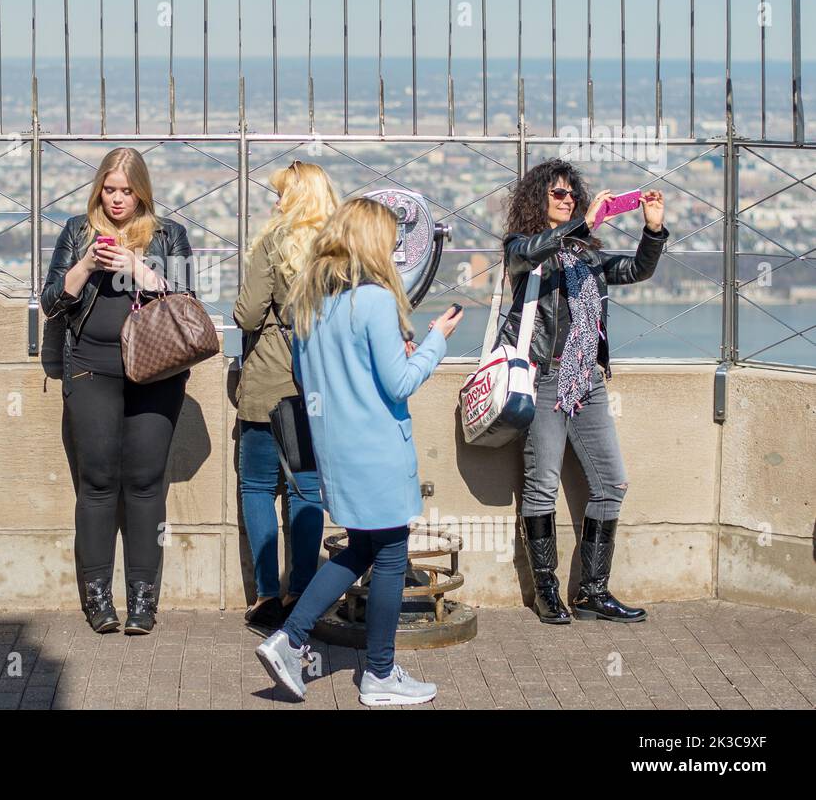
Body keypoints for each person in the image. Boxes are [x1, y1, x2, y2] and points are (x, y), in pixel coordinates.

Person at [256, 197, 462, 706]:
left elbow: (308, 379)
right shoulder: (372, 301)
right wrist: (436, 341)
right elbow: (400, 383)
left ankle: (290, 638)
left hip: (337, 450)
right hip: (377, 451)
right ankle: (379, 674)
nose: (395, 252)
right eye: (390, 243)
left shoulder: (310, 302)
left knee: (362, 548)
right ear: (372, 244)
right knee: (390, 554)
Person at [500, 159, 668, 624]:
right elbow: (528, 252)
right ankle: (546, 591)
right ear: (540, 200)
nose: (568, 198)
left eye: (572, 193)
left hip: (587, 380)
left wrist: (653, 231)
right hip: (544, 377)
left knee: (611, 483)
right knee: (542, 486)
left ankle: (593, 591)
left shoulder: (588, 256)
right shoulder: (523, 248)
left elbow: (635, 271)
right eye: (558, 194)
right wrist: (582, 223)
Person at [41, 148, 195, 635]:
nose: (118, 200)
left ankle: (144, 601)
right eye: (110, 190)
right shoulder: (76, 231)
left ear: (142, 192)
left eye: (127, 191)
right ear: (98, 190)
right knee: (98, 482)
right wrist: (86, 264)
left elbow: (189, 303)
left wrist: (138, 268)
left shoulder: (170, 235)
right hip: (91, 369)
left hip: (155, 373)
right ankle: (98, 598)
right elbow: (50, 302)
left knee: (147, 484)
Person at [233, 161, 338, 632]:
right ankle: (304, 592)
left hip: (270, 382)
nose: (274, 203)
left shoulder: (273, 244)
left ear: (294, 200)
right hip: (318, 389)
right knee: (305, 489)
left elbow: (248, 314)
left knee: (258, 486)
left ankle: (266, 597)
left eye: (280, 195)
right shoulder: (341, 251)